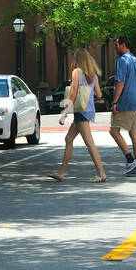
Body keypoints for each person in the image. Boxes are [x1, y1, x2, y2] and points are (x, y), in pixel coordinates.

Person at [46, 49, 106, 183]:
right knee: (68, 138)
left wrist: (65, 113)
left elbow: (73, 93)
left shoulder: (76, 72)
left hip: (81, 111)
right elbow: (99, 94)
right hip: (89, 109)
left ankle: (101, 173)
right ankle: (61, 172)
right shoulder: (93, 74)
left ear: (77, 59)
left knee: (89, 143)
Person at [109, 34, 136, 175]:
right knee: (134, 132)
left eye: (116, 45)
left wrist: (115, 101)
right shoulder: (135, 60)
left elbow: (120, 82)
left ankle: (131, 161)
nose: (115, 48)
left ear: (123, 44)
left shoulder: (122, 60)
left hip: (127, 101)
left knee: (114, 130)